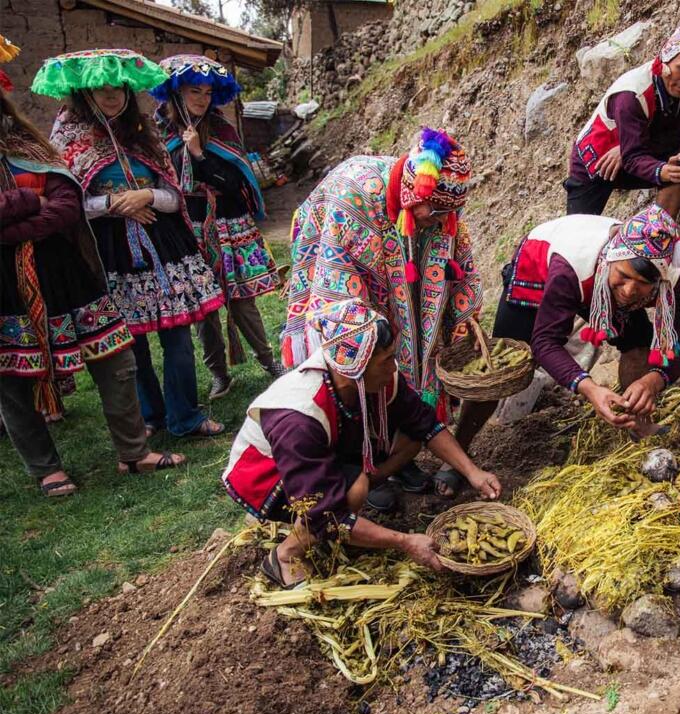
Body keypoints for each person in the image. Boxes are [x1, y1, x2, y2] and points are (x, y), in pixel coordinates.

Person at [1, 54, 185, 497]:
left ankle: (133, 451)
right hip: (5, 286)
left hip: (67, 271)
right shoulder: (64, 137)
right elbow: (53, 204)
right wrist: (32, 204)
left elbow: (67, 203)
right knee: (12, 380)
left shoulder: (29, 148)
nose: (112, 96)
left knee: (116, 360)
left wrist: (22, 217)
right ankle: (47, 469)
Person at [223, 299, 502, 587]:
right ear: (352, 369)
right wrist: (404, 541)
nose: (393, 367)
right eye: (385, 361)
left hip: (326, 452)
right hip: (267, 476)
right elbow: (322, 511)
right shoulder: (299, 418)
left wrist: (472, 472)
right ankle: (285, 554)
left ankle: (349, 515)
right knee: (346, 497)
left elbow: (425, 423)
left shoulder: (368, 380)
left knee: (409, 439)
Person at [34, 49, 226, 439]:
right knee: (130, 341)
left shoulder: (145, 133)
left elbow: (173, 194)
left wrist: (147, 198)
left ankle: (185, 416)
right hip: (109, 251)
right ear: (84, 94)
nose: (112, 97)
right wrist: (112, 204)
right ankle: (150, 415)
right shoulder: (69, 141)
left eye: (118, 89)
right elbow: (68, 203)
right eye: (102, 90)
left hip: (163, 243)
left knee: (178, 337)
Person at [283, 128, 479, 498]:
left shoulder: (437, 208)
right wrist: (376, 328)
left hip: (400, 273)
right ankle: (362, 458)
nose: (441, 221)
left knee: (412, 347)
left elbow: (455, 264)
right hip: (345, 276)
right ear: (411, 194)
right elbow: (340, 303)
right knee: (367, 353)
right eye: (434, 212)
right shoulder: (353, 195)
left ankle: (397, 454)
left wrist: (458, 312)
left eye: (449, 214)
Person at [450, 203, 680, 492]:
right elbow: (544, 341)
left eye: (642, 284)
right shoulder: (571, 267)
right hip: (539, 266)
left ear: (659, 282)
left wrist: (654, 380)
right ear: (610, 261)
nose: (629, 290)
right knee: (500, 366)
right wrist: (588, 388)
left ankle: (638, 423)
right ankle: (457, 455)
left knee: (639, 344)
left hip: (597, 282)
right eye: (624, 276)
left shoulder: (673, 282)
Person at [151, 55, 284, 400]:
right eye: (195, 91)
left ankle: (270, 362)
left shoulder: (221, 130)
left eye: (208, 92)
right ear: (175, 93)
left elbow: (233, 181)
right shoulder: (158, 135)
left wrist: (198, 154)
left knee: (242, 301)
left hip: (227, 223)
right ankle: (218, 374)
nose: (202, 99)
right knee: (204, 307)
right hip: (188, 229)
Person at [565, 23, 680, 218]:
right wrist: (651, 164)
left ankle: (658, 238)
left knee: (676, 175)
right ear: (665, 62)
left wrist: (653, 163)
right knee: (578, 236)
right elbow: (633, 156)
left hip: (634, 155)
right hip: (595, 161)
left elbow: (678, 135)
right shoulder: (631, 94)